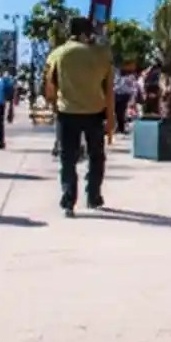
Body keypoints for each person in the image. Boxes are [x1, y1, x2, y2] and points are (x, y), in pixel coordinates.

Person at [45, 17, 114, 217]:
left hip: (67, 113)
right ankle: (93, 195)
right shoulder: (102, 54)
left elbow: (50, 86)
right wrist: (111, 118)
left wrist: (54, 105)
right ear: (86, 33)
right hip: (95, 112)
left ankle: (69, 200)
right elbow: (108, 88)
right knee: (96, 156)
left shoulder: (57, 54)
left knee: (67, 158)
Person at [112, 68, 137, 135]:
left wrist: (132, 98)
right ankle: (118, 127)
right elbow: (114, 85)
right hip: (116, 95)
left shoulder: (130, 77)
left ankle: (122, 128)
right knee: (116, 112)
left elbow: (133, 88)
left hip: (125, 96)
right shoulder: (116, 75)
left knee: (122, 113)